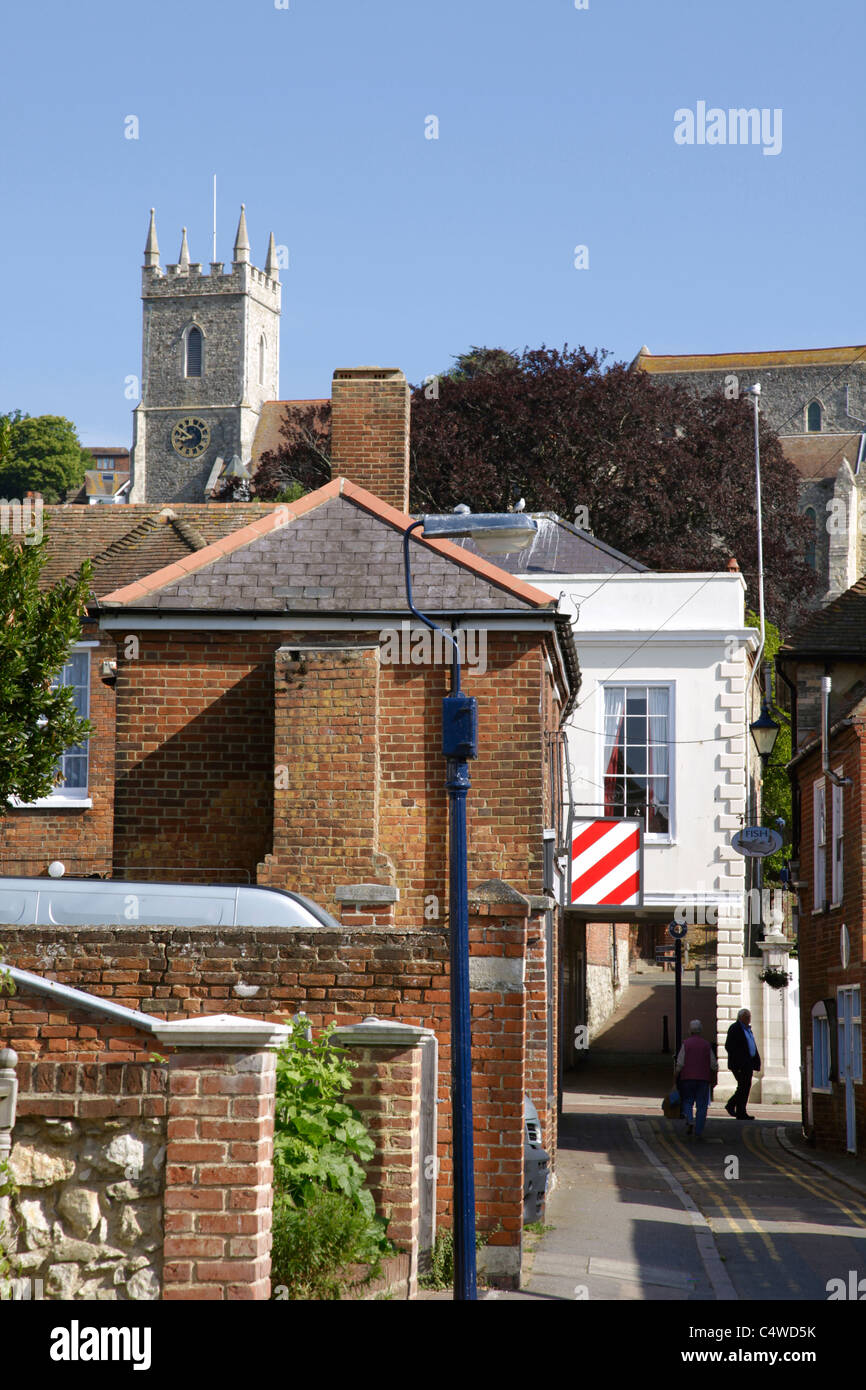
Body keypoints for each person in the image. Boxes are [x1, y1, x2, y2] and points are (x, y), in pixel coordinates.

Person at [675, 1019, 717, 1138]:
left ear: (690, 1030)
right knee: (702, 1105)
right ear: (700, 1030)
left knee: (687, 1101)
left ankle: (689, 1119)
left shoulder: (686, 1044)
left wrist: (676, 1075)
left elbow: (680, 1063)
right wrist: (713, 1076)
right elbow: (713, 1064)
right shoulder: (706, 1045)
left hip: (687, 1078)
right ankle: (698, 1130)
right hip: (703, 1079)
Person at [724, 1007, 761, 1120]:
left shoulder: (748, 1029)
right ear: (741, 1018)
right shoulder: (735, 1028)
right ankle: (734, 1107)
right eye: (747, 1017)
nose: (749, 1019)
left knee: (744, 1087)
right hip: (740, 1064)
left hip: (748, 1063)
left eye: (749, 1017)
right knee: (743, 1087)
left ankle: (739, 1110)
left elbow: (751, 1045)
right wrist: (739, 1060)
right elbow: (729, 1046)